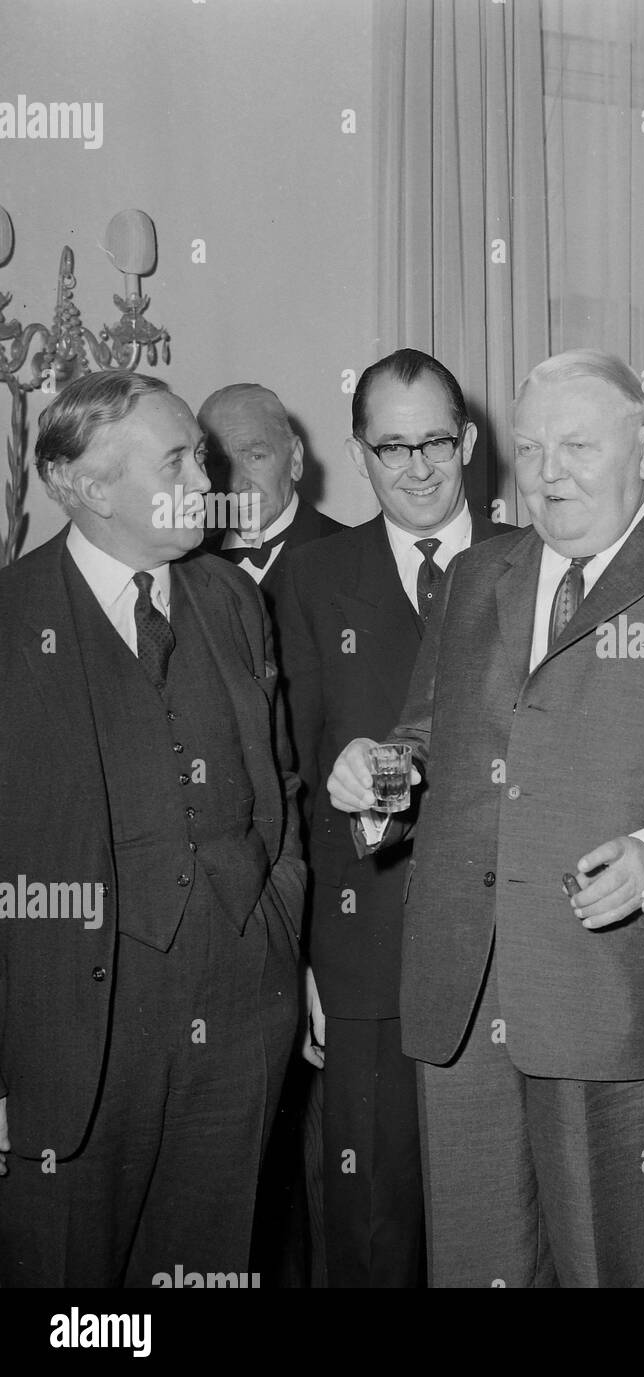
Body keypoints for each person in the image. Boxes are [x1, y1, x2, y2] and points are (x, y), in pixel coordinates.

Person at [328, 349, 644, 1287]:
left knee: (624, 1268)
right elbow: (426, 741)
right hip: (464, 997)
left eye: (578, 446)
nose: (548, 473)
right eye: (533, 447)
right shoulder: (476, 573)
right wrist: (381, 773)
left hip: (621, 1001)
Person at [0, 371, 304, 1286]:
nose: (209, 486)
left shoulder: (231, 600)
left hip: (240, 1015)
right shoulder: (11, 623)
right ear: (89, 488)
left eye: (203, 458)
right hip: (68, 1043)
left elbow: (277, 791)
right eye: (177, 461)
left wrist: (278, 930)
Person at [276, 349, 511, 1286]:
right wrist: (301, 955)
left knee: (499, 1223)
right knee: (371, 1226)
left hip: (503, 954)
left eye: (436, 443)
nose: (417, 468)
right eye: (392, 447)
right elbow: (288, 777)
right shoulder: (308, 578)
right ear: (357, 453)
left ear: (470, 442)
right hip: (362, 954)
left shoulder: (531, 563)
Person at [197, 382, 343, 619]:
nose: (236, 484)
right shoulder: (186, 563)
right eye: (218, 463)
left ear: (295, 459)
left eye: (255, 457)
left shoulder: (354, 558)